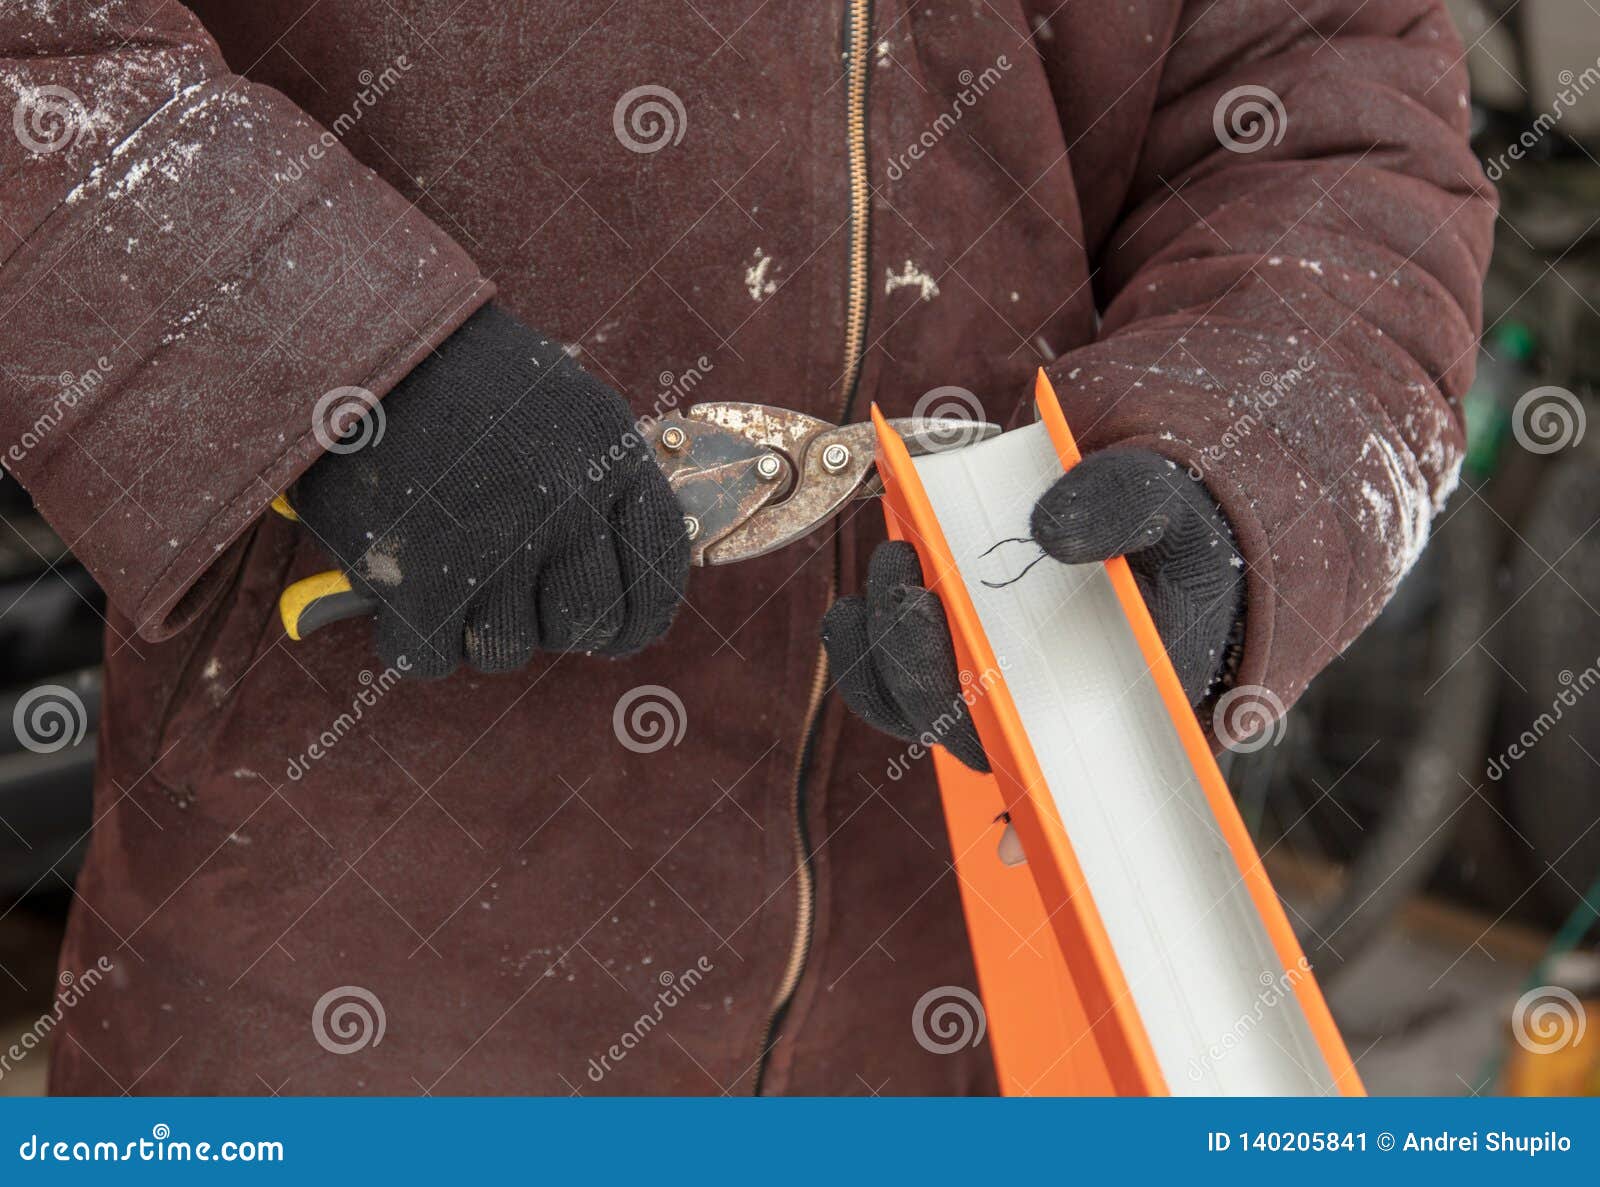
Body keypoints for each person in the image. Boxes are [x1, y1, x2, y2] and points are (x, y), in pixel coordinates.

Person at [0, 0, 1493, 1095]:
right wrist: (327, 359)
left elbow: (1339, 134)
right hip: (345, 958)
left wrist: (1239, 465)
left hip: (977, 976)